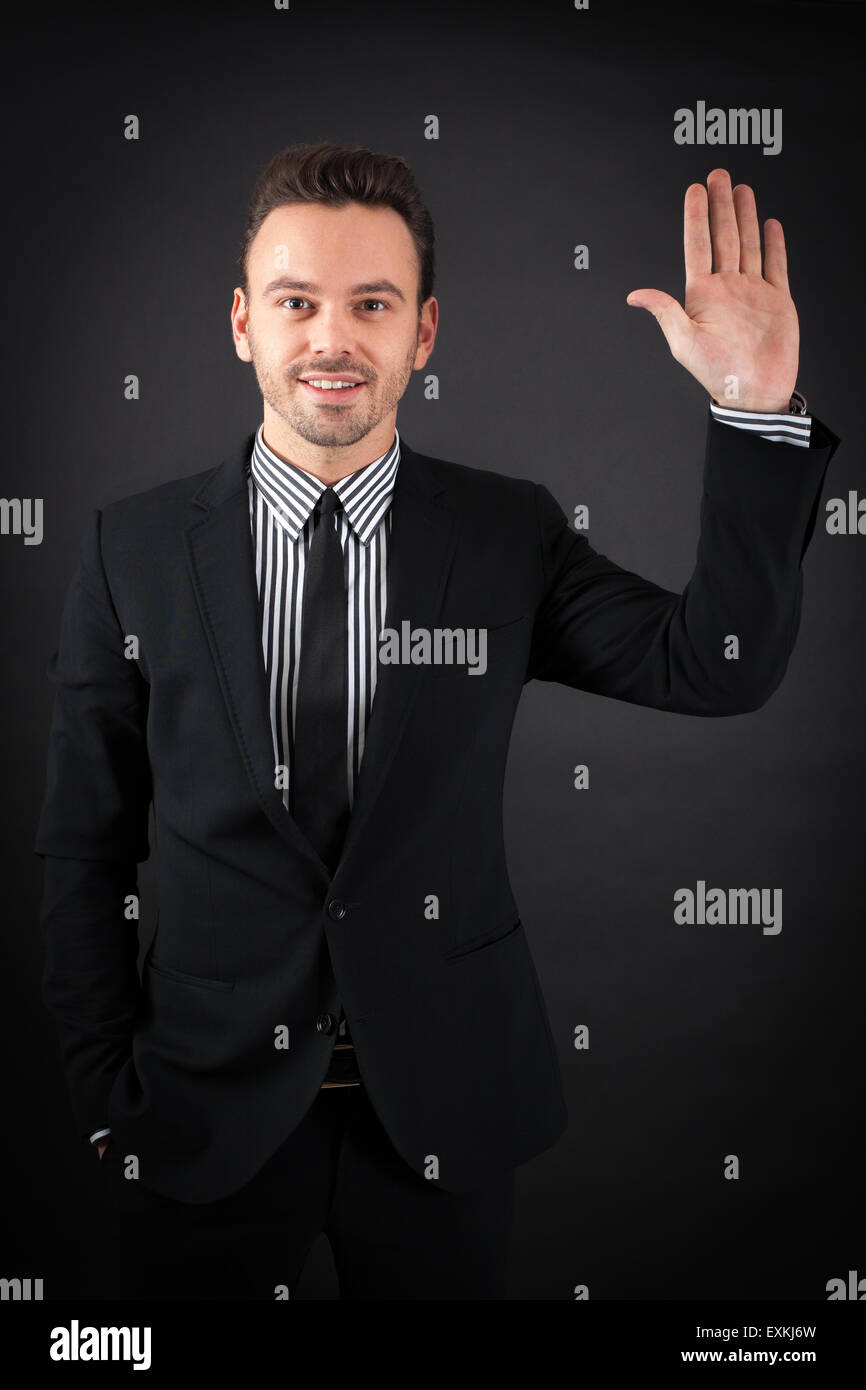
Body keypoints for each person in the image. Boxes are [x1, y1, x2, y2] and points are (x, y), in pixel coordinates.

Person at [34, 142, 840, 1300]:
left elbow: (711, 665)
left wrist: (754, 410)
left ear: (421, 334)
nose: (331, 339)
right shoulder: (133, 548)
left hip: (443, 1118)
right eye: (296, 302)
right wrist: (102, 1097)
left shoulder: (504, 535)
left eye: (372, 304)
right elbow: (84, 844)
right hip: (193, 1115)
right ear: (241, 323)